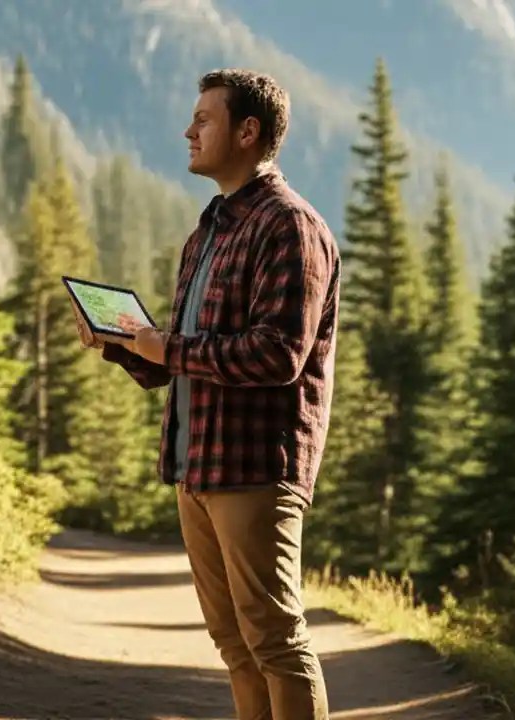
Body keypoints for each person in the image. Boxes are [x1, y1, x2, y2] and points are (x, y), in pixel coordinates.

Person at [70, 68, 339, 720]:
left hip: (255, 468)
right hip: (198, 464)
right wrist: (123, 345)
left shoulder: (289, 226)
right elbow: (181, 362)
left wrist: (172, 348)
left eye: (204, 119)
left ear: (248, 132)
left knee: (275, 639)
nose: (188, 130)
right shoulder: (210, 231)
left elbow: (280, 353)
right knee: (234, 644)